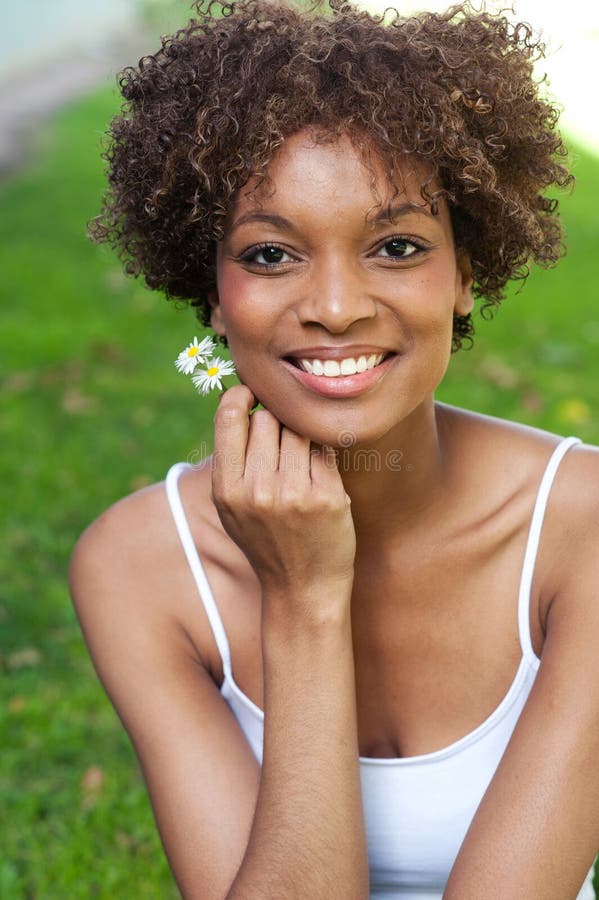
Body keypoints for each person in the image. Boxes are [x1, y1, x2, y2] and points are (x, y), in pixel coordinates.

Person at [69, 0, 599, 897]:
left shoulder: (583, 529)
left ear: (465, 276)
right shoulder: (138, 566)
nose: (337, 305)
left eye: (396, 246)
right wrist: (305, 600)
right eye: (271, 256)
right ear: (212, 294)